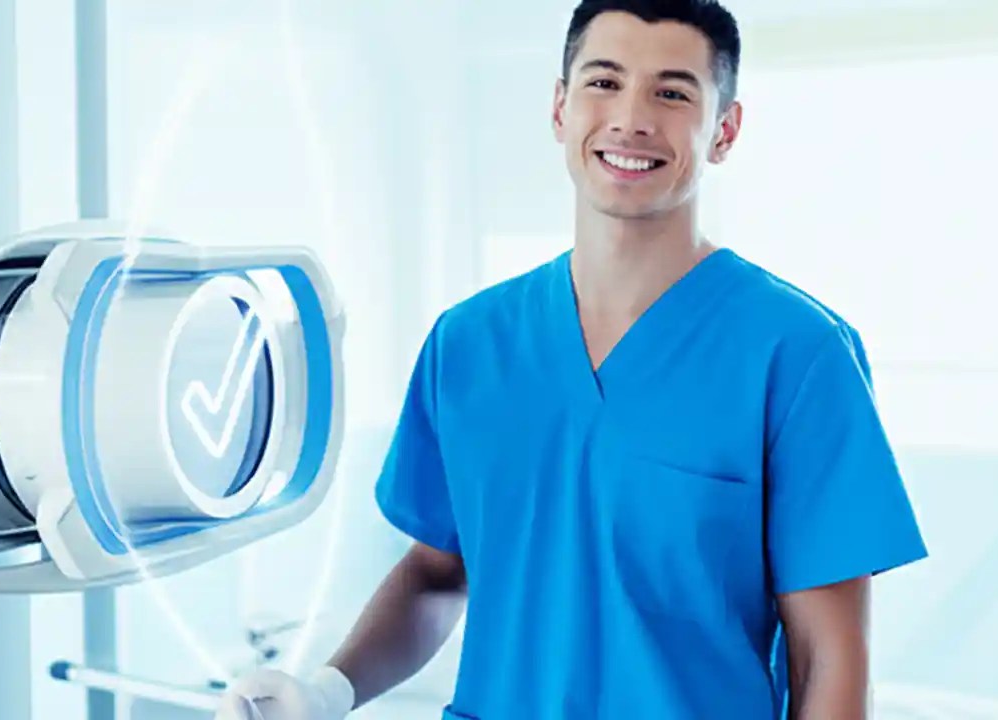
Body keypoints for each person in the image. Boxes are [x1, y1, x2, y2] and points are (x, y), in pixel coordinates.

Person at [217, 0, 928, 717]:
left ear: (725, 131)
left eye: (673, 93)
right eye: (603, 82)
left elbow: (828, 654)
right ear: (560, 108)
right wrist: (327, 691)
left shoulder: (797, 355)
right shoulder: (466, 344)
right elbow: (438, 574)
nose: (631, 118)